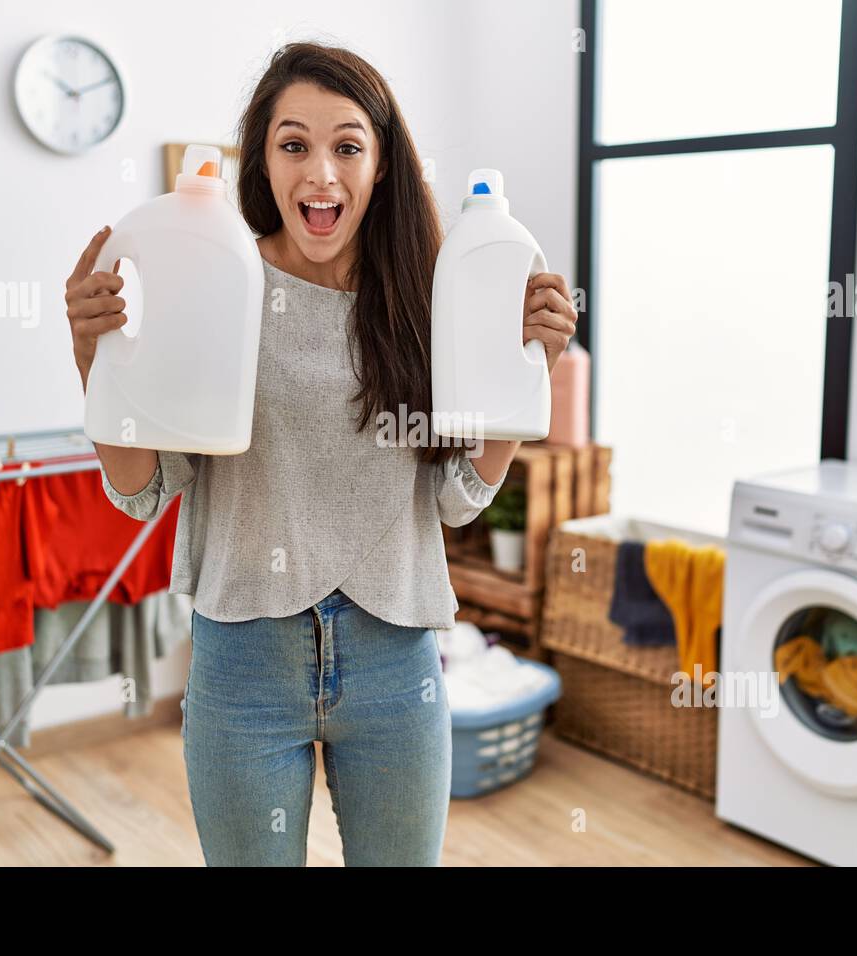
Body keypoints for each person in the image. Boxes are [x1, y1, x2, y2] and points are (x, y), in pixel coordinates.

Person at [63, 41, 577, 866]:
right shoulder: (214, 281)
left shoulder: (425, 296)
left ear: (381, 165)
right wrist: (97, 359)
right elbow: (145, 489)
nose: (321, 174)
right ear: (262, 162)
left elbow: (456, 497)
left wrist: (525, 374)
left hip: (394, 658)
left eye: (347, 145)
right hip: (244, 660)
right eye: (293, 143)